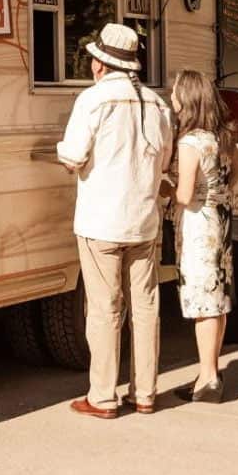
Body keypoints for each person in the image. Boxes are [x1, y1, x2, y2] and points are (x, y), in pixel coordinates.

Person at [56, 22, 173, 418]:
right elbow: (166, 161)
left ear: (100, 64)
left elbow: (73, 156)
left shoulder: (93, 101)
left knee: (104, 309)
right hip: (144, 219)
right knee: (146, 308)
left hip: (101, 222)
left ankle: (103, 396)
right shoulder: (158, 104)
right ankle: (145, 393)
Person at [168, 70, 238, 403]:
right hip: (221, 220)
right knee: (218, 298)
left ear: (187, 98)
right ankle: (208, 371)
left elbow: (184, 194)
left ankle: (209, 379)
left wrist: (163, 187)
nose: (171, 97)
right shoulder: (222, 135)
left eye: (174, 92)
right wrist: (218, 193)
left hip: (199, 225)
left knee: (203, 303)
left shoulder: (190, 142)